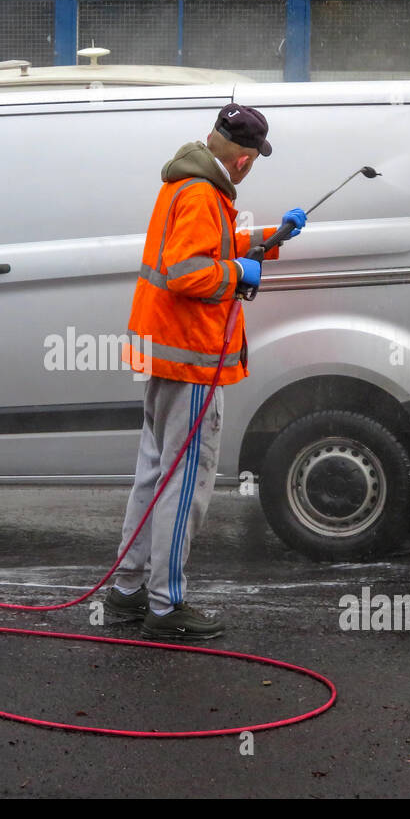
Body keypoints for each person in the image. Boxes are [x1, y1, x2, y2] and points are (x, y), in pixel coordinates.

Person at [106, 104, 306, 640]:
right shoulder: (201, 194)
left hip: (169, 356)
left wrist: (269, 237)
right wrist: (238, 272)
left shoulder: (187, 183)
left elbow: (203, 249)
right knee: (183, 483)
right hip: (193, 361)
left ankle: (126, 592)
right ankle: (166, 607)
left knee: (155, 473)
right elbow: (187, 272)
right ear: (242, 161)